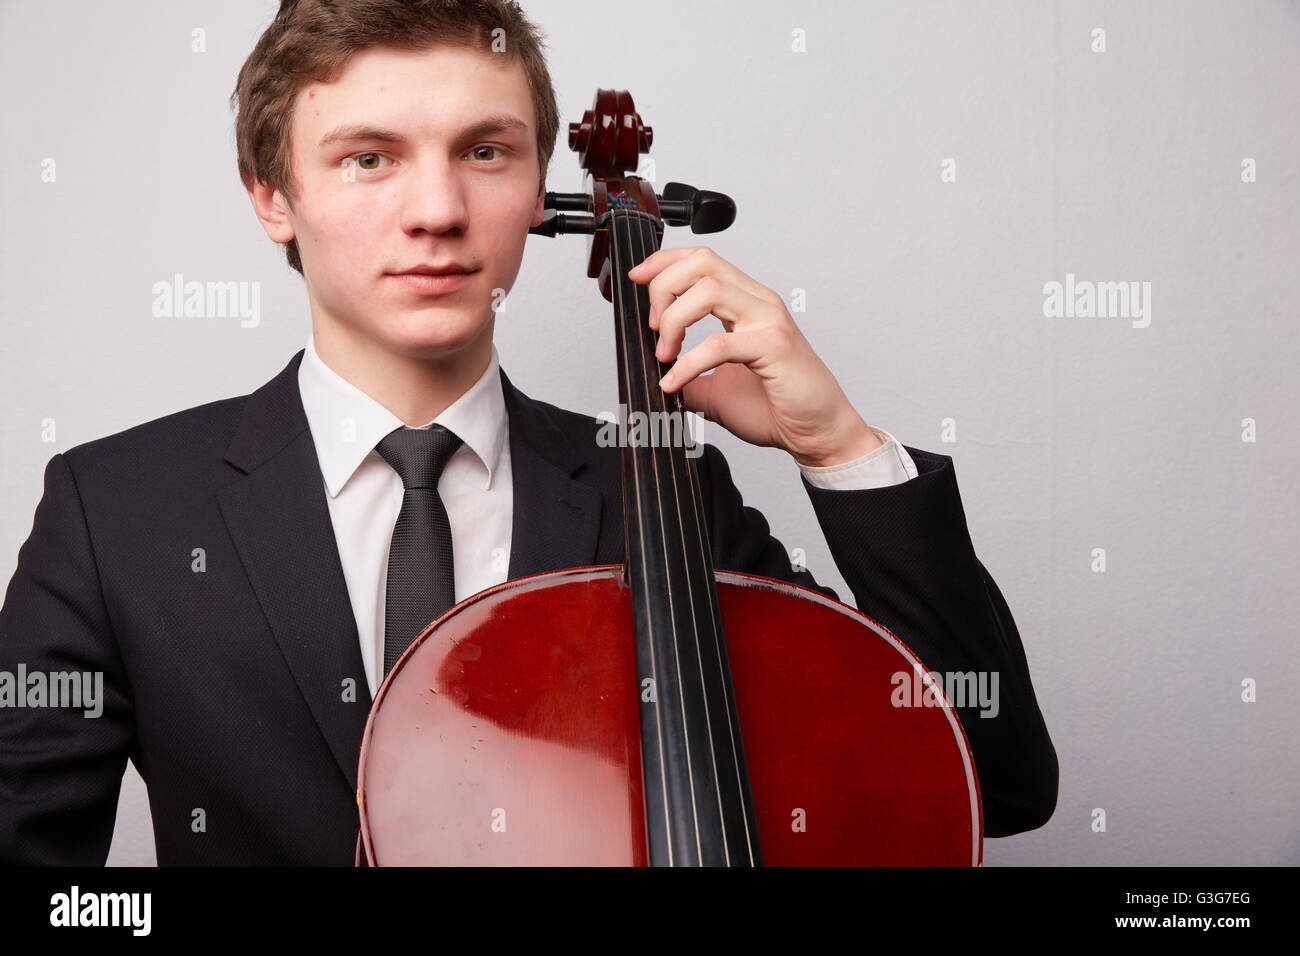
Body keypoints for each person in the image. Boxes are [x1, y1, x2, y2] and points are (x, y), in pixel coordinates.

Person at [0, 0, 1057, 865]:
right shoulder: (115, 511)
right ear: (272, 196)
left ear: (538, 186)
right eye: (369, 157)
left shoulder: (662, 493)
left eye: (485, 151)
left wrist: (837, 444)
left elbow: (990, 778)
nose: (438, 210)